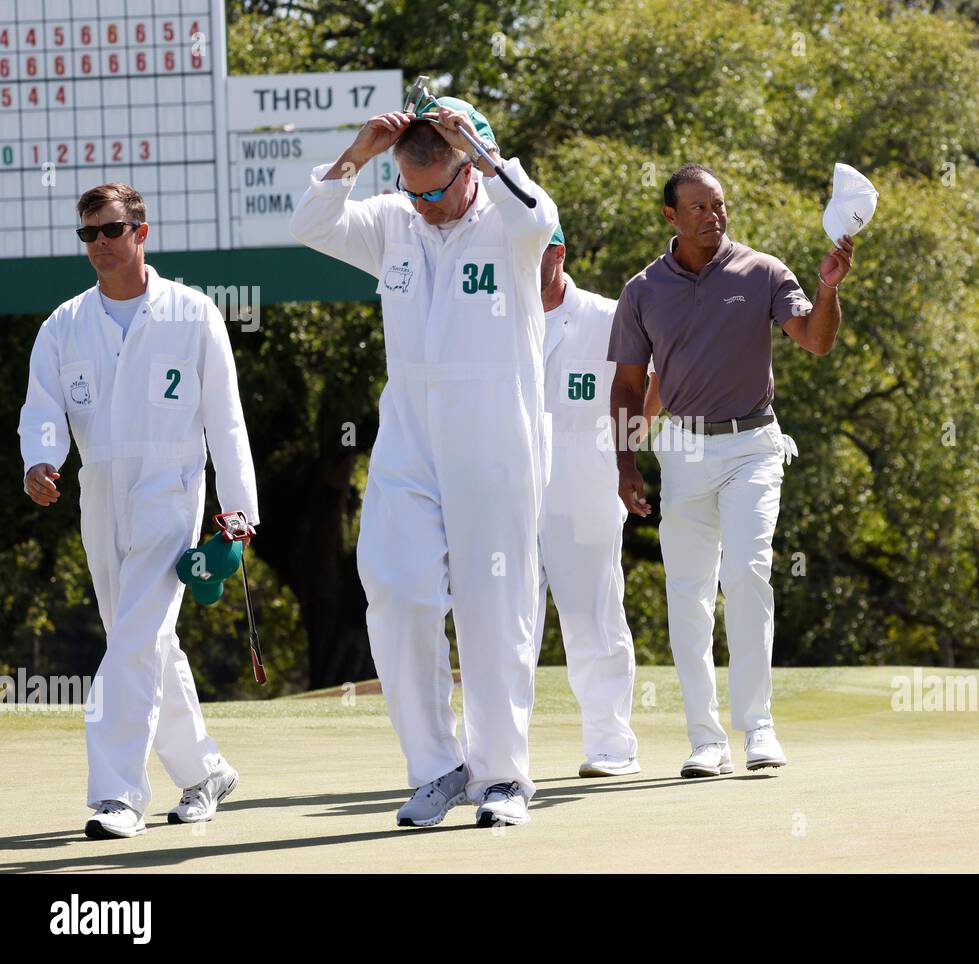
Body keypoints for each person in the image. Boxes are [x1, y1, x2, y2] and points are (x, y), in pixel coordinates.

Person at [289, 99, 558, 828]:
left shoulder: (511, 219)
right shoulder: (392, 220)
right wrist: (357, 153)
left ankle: (503, 778)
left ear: (469, 166)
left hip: (495, 438)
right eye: (414, 190)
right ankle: (438, 768)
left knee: (492, 608)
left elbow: (540, 217)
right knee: (396, 590)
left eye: (437, 189)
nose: (426, 206)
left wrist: (484, 148)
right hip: (409, 438)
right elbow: (309, 225)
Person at [18, 183, 259, 838]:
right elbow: (43, 410)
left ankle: (118, 795)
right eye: (89, 233)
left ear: (141, 232)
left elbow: (226, 420)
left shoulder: (194, 313)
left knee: (132, 638)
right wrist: (41, 463)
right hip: (99, 488)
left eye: (112, 230)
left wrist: (239, 509)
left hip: (172, 487)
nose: (99, 244)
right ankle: (205, 770)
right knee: (142, 635)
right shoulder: (64, 324)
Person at [608, 163, 855, 778]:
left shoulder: (764, 271)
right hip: (683, 453)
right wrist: (624, 464)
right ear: (670, 215)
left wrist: (828, 289)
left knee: (747, 574)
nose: (712, 216)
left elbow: (815, 340)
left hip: (753, 446)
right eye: (697, 207)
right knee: (688, 598)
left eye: (718, 205)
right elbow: (627, 385)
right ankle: (705, 741)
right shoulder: (642, 291)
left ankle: (759, 727)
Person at [534, 223, 639, 777]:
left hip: (585, 475)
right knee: (506, 622)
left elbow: (654, 379)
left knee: (593, 616)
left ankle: (611, 745)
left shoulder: (606, 316)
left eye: (535, 251)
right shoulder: (494, 316)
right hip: (513, 476)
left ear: (559, 252)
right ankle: (497, 754)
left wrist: (628, 444)